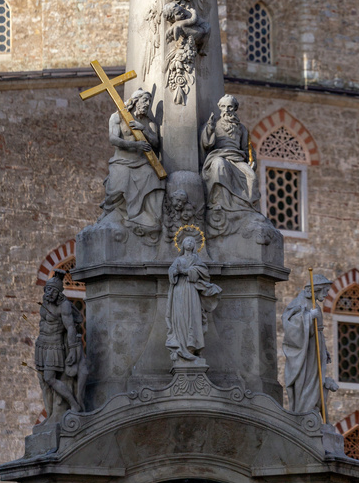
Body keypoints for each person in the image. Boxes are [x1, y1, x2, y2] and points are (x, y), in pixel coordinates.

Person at [101, 89, 165, 238]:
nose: (147, 104)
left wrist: (145, 131)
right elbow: (113, 139)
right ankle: (112, 213)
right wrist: (136, 146)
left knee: (153, 178)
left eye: (149, 102)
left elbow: (156, 143)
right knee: (118, 185)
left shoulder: (148, 122)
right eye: (144, 101)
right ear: (135, 101)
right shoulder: (117, 117)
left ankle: (149, 218)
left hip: (141, 163)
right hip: (121, 161)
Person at [282, 274, 339, 416]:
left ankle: (312, 408)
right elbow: (288, 324)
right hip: (306, 353)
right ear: (317, 289)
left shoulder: (315, 305)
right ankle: (304, 410)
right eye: (324, 291)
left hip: (315, 349)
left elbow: (319, 331)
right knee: (306, 378)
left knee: (316, 378)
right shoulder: (299, 302)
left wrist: (324, 350)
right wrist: (307, 317)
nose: (326, 295)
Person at [35, 270, 86, 421]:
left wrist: (71, 350)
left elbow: (70, 327)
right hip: (41, 345)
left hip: (54, 345)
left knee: (50, 378)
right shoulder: (45, 303)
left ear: (58, 292)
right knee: (43, 380)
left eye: (52, 290)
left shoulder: (64, 306)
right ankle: (50, 415)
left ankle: (74, 404)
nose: (48, 293)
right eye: (47, 289)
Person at [200, 95, 260, 218]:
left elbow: (247, 149)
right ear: (219, 108)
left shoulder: (241, 128)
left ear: (235, 108)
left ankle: (247, 207)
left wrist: (252, 161)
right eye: (223, 107)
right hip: (219, 154)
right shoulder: (215, 124)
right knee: (219, 165)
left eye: (229, 107)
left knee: (252, 177)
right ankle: (219, 202)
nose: (226, 110)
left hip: (237, 158)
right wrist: (209, 130)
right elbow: (207, 144)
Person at [165, 235, 221, 362]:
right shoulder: (178, 259)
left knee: (193, 318)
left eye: (191, 241)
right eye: (187, 241)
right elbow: (171, 272)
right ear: (182, 245)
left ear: (194, 245)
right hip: (180, 290)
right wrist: (176, 272)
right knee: (180, 318)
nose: (189, 243)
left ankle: (192, 348)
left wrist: (186, 271)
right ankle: (182, 347)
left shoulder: (197, 259)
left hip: (192, 291)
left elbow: (204, 272)